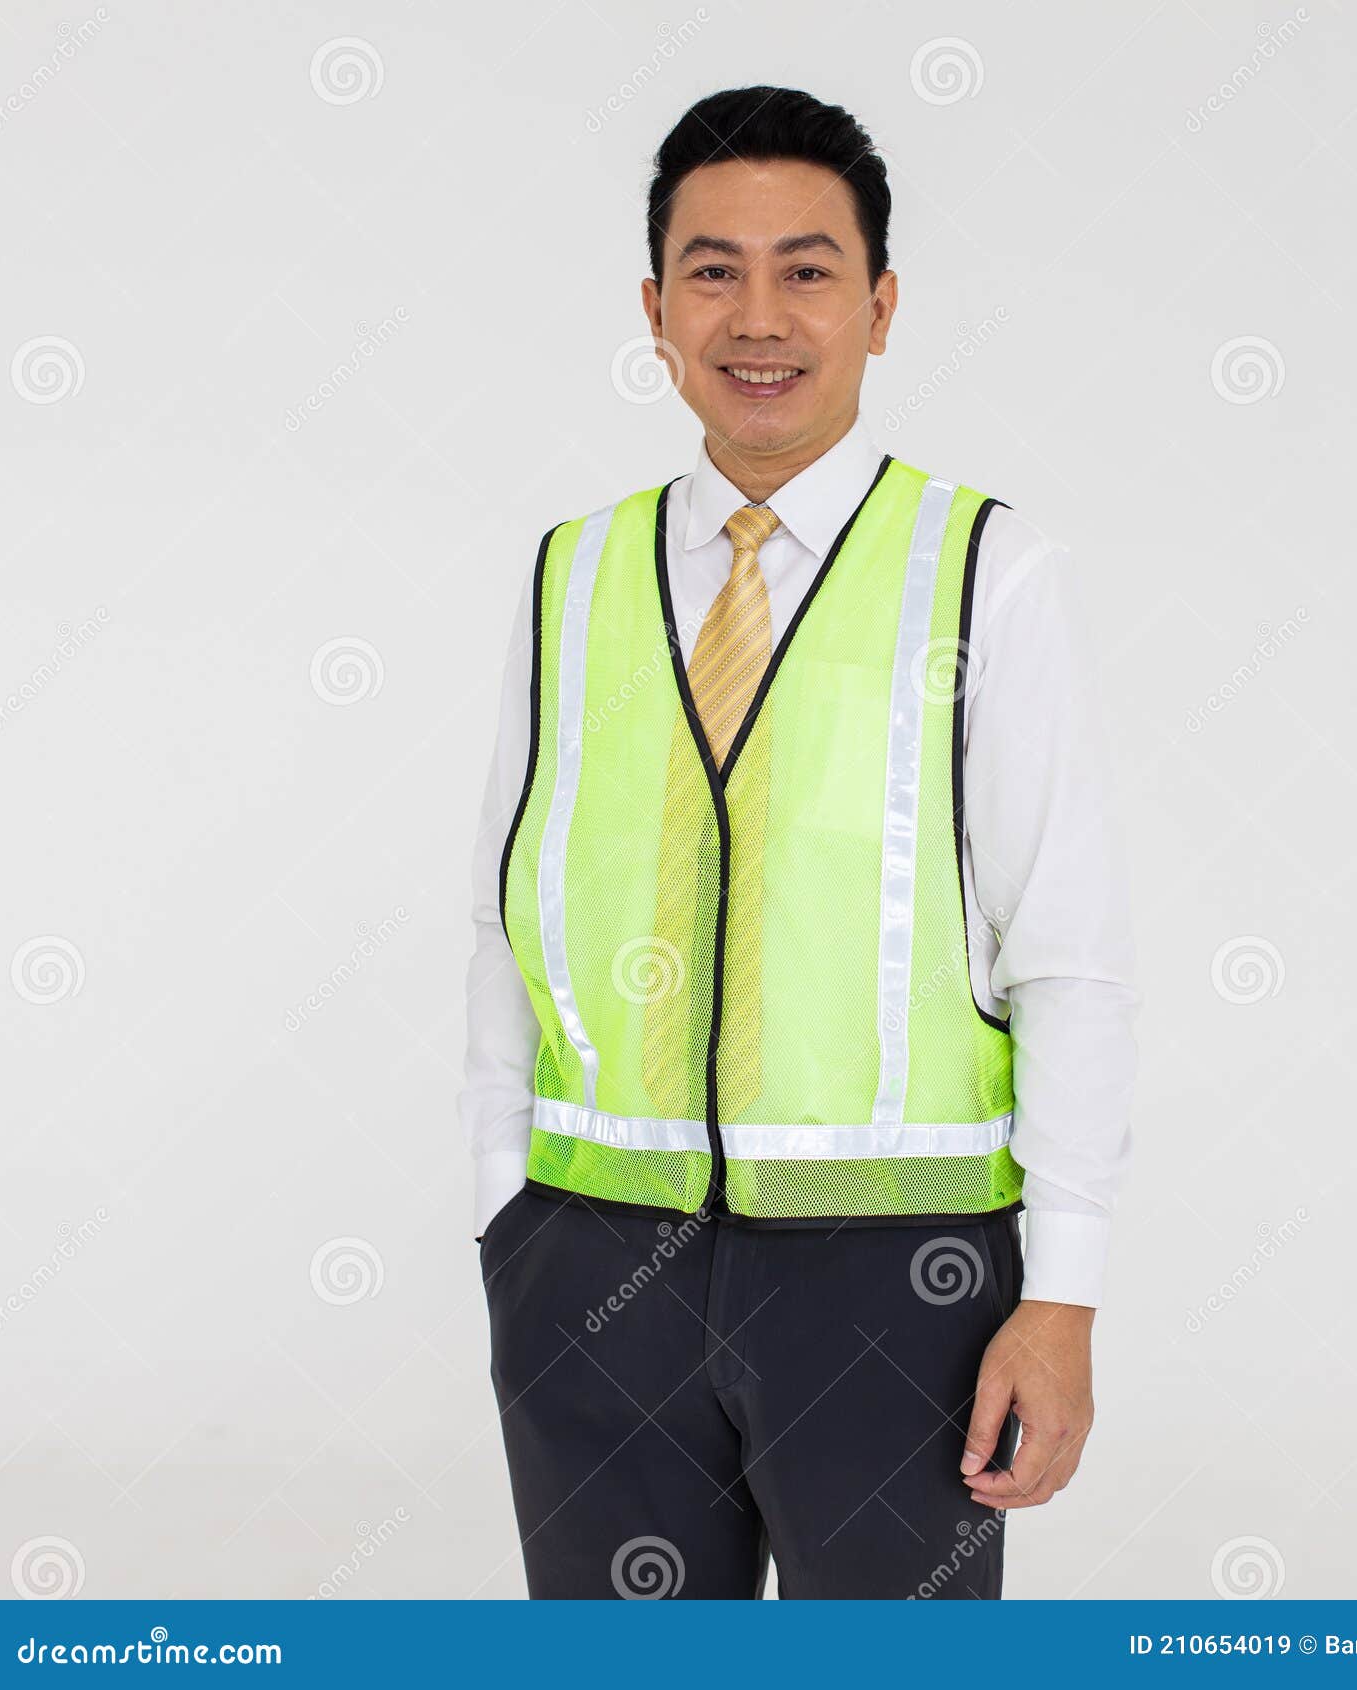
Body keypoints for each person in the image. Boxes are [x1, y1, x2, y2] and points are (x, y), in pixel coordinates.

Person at [457, 84, 1139, 1600]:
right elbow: (511, 908)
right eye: (713, 269)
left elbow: (1069, 952)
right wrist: (509, 1208)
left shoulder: (984, 572)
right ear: (654, 304)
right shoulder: (571, 574)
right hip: (591, 1265)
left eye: (808, 268)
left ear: (881, 307)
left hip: (900, 1280)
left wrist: (1065, 1291)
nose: (757, 315)